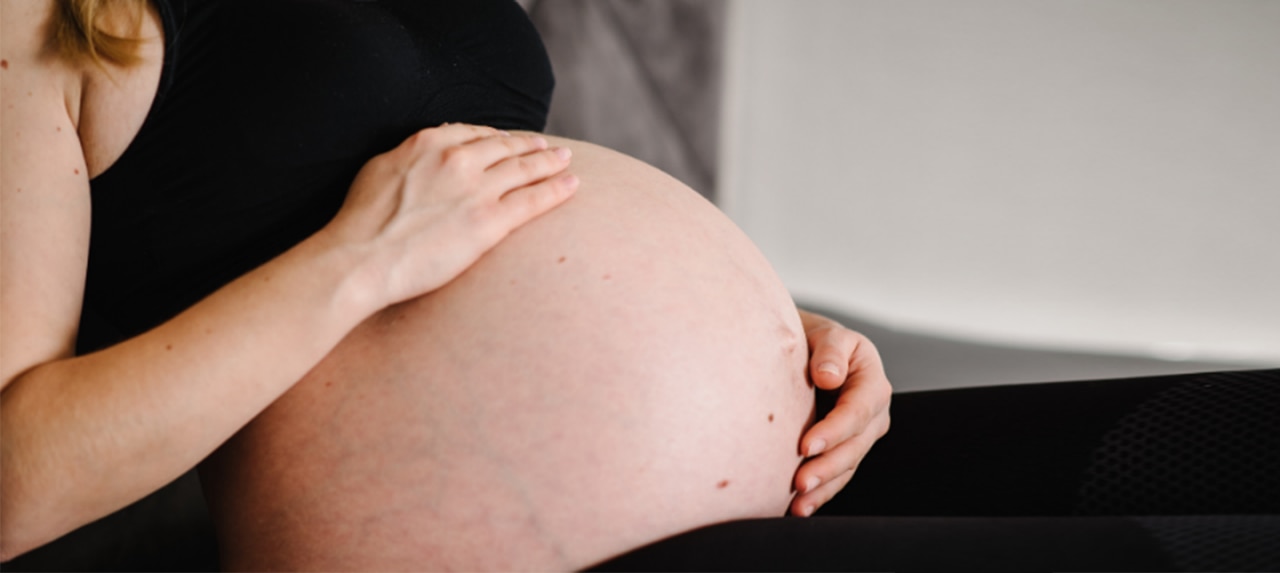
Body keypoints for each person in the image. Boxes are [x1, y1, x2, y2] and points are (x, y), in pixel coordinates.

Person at [0, 0, 892, 567]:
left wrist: (771, 329)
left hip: (784, 483)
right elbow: (14, 487)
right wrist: (360, 259)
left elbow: (461, 181)